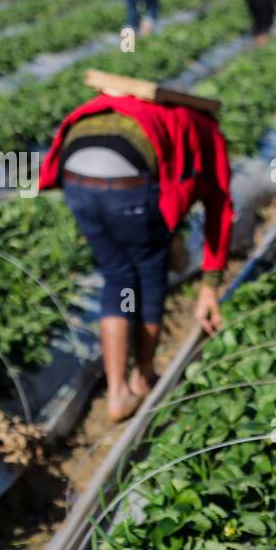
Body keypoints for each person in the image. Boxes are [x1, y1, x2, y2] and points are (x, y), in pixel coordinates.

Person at [39, 92, 233, 422]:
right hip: (126, 178)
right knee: (149, 272)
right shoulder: (206, 130)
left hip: (75, 175)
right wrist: (210, 285)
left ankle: (117, 391)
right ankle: (141, 379)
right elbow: (219, 207)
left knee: (117, 276)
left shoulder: (147, 111)